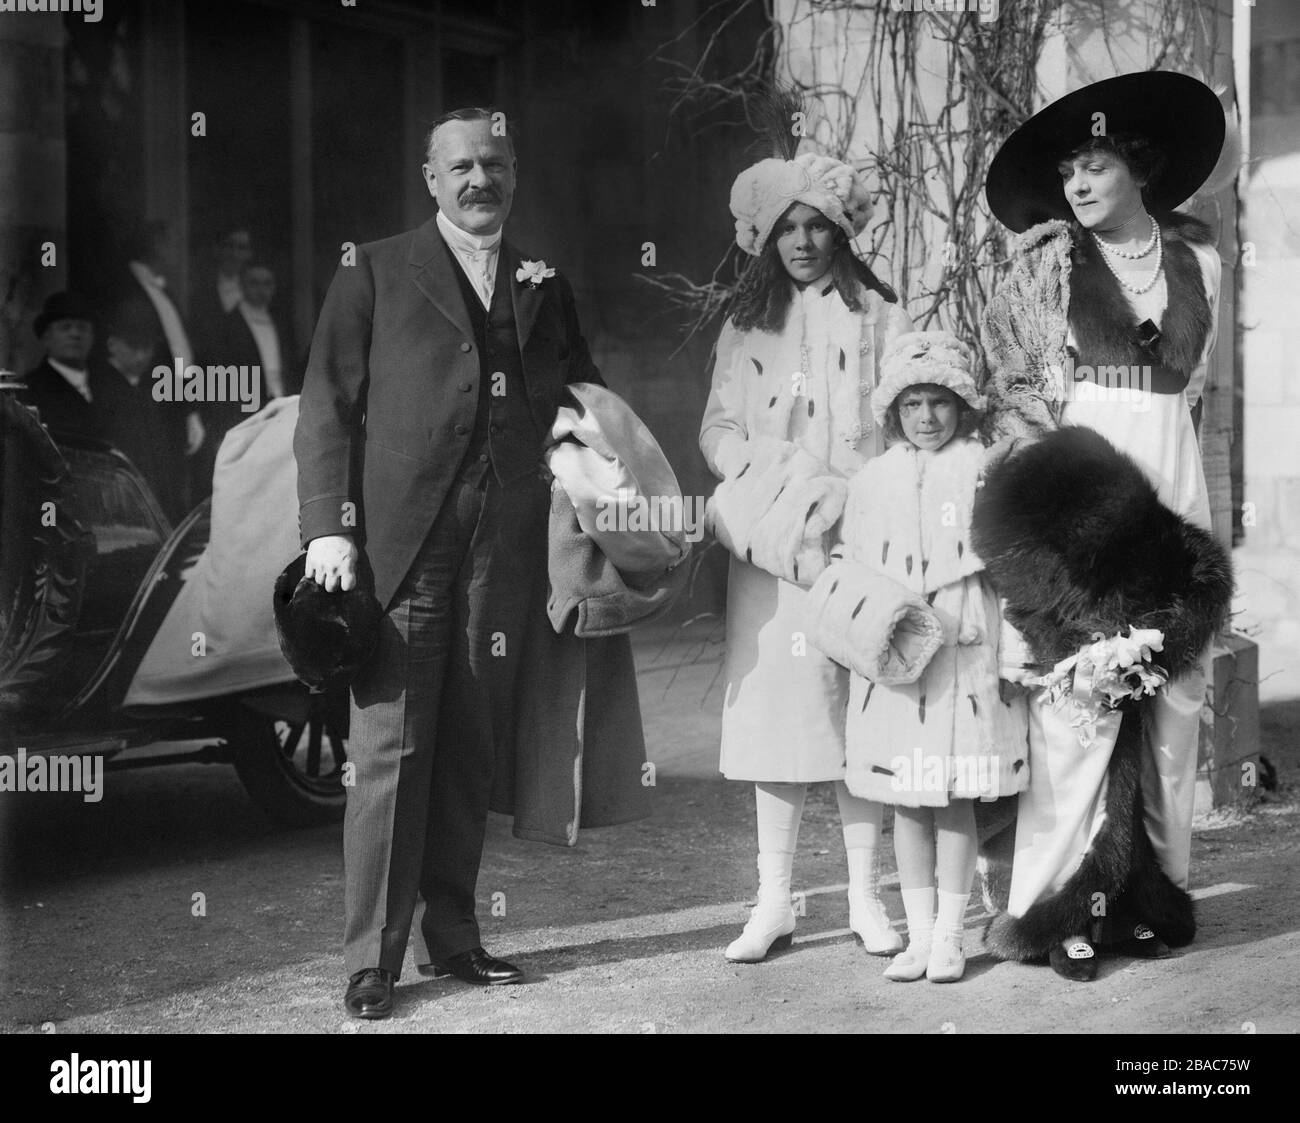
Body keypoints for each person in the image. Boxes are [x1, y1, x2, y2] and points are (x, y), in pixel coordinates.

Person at [295, 106, 618, 1020]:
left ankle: (457, 936)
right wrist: (329, 527)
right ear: (430, 179)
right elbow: (326, 404)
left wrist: (594, 477)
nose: (481, 180)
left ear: (514, 173)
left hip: (504, 546)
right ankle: (372, 962)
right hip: (399, 550)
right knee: (391, 748)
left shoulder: (541, 279)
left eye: (496, 164)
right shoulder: (375, 268)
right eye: (462, 166)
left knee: (471, 743)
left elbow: (583, 399)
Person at [978, 71, 1226, 980]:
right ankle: (1054, 908)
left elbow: (1196, 401)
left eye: (1096, 165)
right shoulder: (1046, 266)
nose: (1078, 185)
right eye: (1069, 170)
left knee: (1172, 703)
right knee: (1079, 700)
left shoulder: (1201, 263)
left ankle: (1148, 897)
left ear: (1140, 167)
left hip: (1176, 492)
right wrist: (1054, 530)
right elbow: (1018, 400)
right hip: (1084, 493)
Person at [700, 147, 913, 963]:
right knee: (777, 724)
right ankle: (774, 898)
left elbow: (910, 417)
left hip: (856, 541)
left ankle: (865, 892)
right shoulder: (746, 325)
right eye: (786, 227)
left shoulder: (880, 318)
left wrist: (857, 488)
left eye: (816, 225)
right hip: (770, 546)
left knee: (859, 716)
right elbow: (717, 427)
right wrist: (759, 473)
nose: (801, 240)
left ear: (839, 232)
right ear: (767, 236)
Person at [830, 331, 1029, 982]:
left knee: (954, 800)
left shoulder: (982, 469)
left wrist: (1004, 649)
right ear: (894, 412)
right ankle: (917, 936)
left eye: (939, 401)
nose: (926, 417)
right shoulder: (873, 481)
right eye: (912, 403)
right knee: (906, 802)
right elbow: (852, 572)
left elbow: (1011, 570)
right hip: (898, 657)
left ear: (961, 406)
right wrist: (894, 617)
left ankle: (950, 935)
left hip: (964, 658)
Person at [194, 260, 294, 492]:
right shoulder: (226, 327)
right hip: (244, 418)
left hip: (280, 416)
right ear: (242, 285)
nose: (261, 290)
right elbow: (217, 382)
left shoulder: (281, 324)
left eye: (267, 284)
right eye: (254, 283)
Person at [99, 302, 187, 522]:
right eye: (132, 346)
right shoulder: (100, 389)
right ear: (112, 344)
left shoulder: (151, 391)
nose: (140, 356)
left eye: (146, 348)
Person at [18, 292, 110, 439]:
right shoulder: (27, 391)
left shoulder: (110, 387)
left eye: (82, 328)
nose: (75, 334)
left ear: (92, 338)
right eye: (65, 327)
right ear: (46, 338)